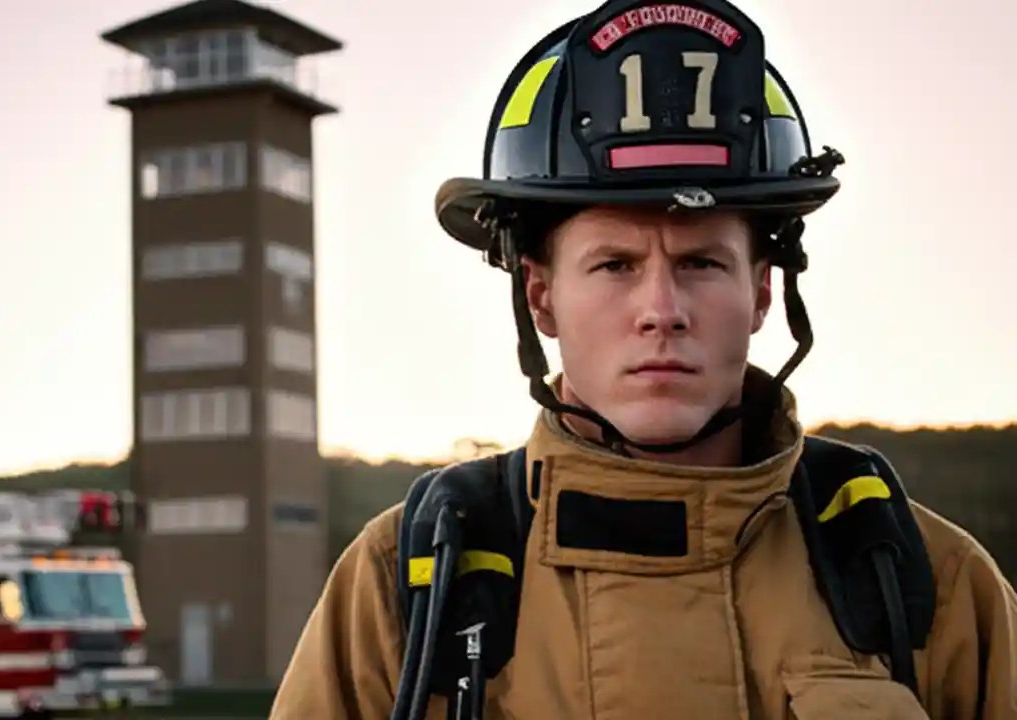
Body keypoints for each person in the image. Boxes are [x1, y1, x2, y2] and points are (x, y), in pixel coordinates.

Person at [269, 0, 1017, 717]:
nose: (662, 309)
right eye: (614, 265)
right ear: (541, 298)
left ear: (761, 292)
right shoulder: (401, 585)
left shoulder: (934, 585)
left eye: (701, 263)